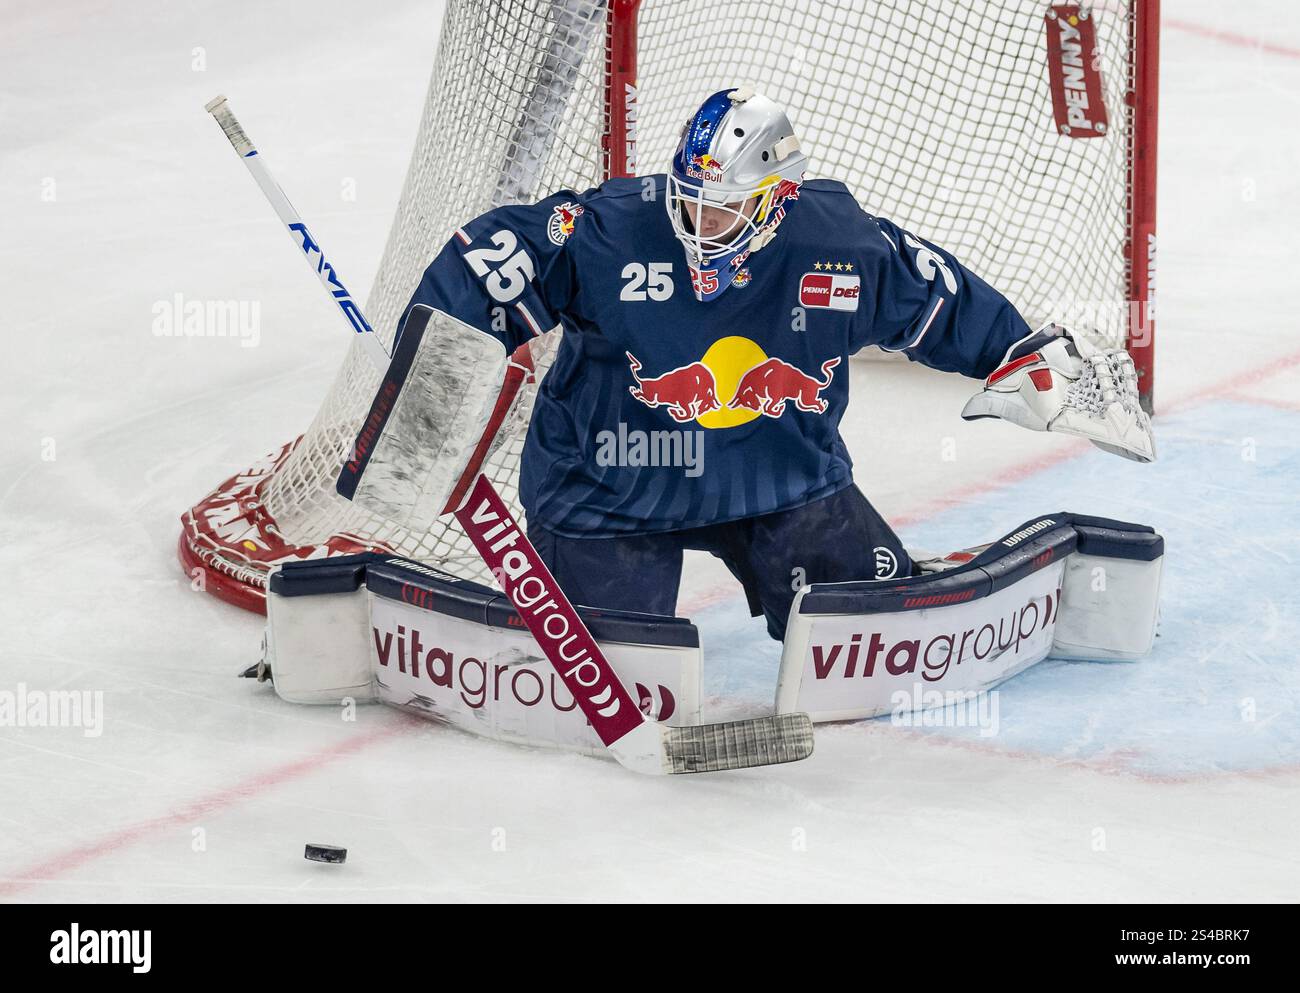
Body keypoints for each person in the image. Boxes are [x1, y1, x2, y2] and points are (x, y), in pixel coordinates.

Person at [395, 87, 1139, 640]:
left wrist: (1025, 357)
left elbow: (936, 294)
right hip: (609, 487)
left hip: (778, 478)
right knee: (620, 659)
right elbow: (492, 256)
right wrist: (429, 381)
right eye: (689, 203)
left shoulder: (839, 245)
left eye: (720, 211)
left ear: (776, 201)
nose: (697, 226)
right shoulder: (612, 232)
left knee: (870, 635)